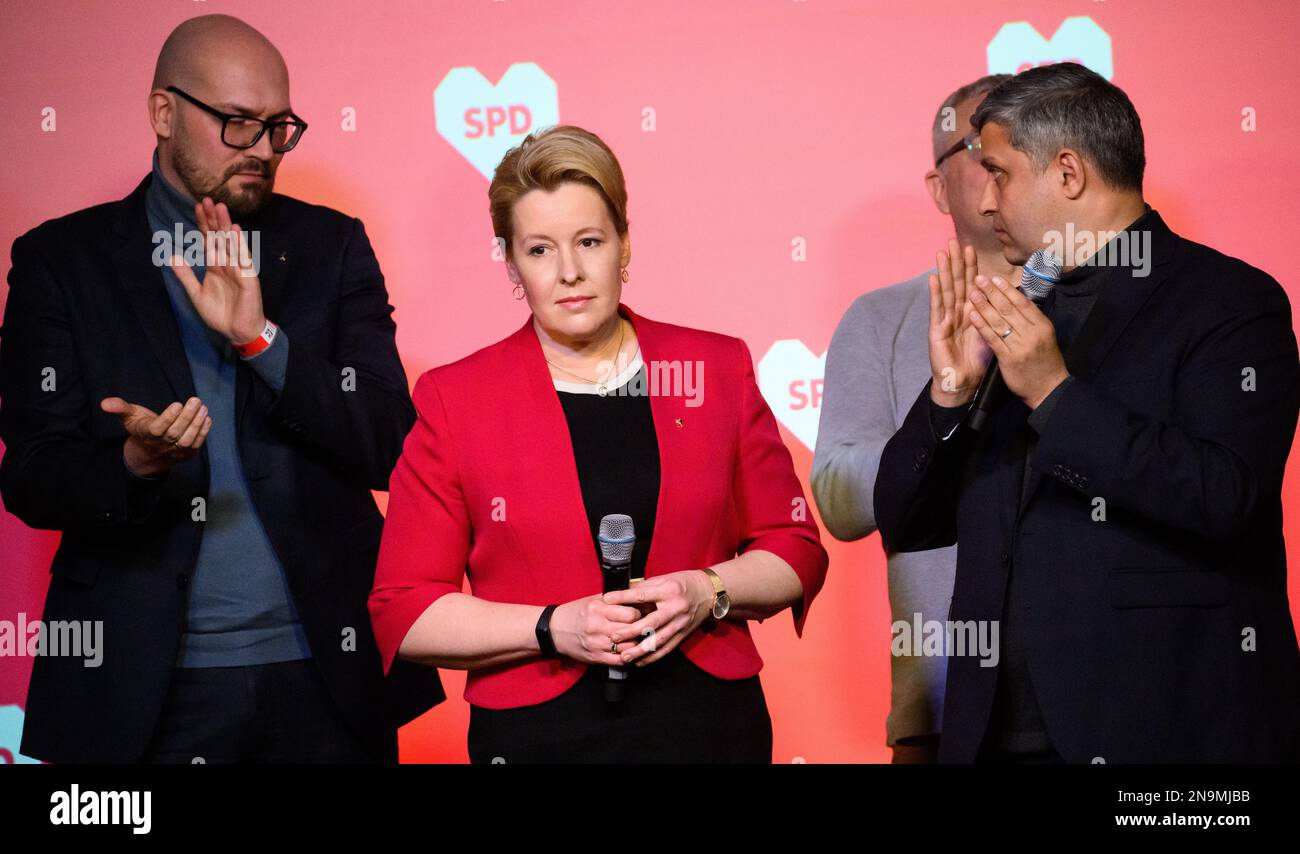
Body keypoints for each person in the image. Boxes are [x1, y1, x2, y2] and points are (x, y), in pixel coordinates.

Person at [0, 14, 443, 763]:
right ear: (164, 113)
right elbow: (32, 476)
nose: (265, 151)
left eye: (280, 127)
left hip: (326, 676)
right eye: (238, 125)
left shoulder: (331, 247)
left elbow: (389, 446)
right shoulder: (60, 262)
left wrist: (261, 342)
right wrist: (134, 464)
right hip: (143, 685)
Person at [874, 62, 1300, 763]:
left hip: (1164, 736)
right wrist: (949, 393)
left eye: (1000, 174)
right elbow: (907, 520)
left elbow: (1226, 495)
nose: (985, 205)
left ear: (1067, 172)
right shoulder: (1012, 310)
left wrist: (1054, 393)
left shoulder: (1228, 302)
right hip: (989, 737)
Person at [368, 124, 828, 763]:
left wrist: (707, 590)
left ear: (624, 244)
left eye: (589, 241)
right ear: (510, 262)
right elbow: (405, 607)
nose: (570, 272)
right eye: (539, 249)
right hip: (536, 737)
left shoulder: (713, 367)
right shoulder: (456, 398)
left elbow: (795, 546)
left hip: (709, 726)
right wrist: (554, 627)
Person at [812, 74, 1014, 764]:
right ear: (937, 189)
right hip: (941, 708)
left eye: (1026, 141)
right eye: (980, 144)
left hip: (1106, 704)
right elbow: (838, 496)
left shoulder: (1105, 303)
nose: (1003, 161)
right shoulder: (881, 319)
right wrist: (942, 421)